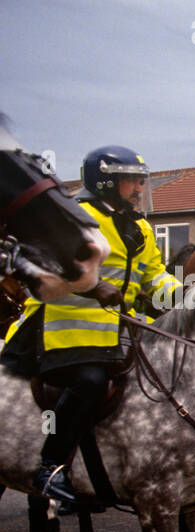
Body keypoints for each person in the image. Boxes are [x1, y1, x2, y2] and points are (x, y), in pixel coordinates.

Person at [21, 145, 182, 502]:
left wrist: (190, 296)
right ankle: (48, 467)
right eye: (131, 182)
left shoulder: (139, 226)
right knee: (90, 381)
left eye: (141, 182)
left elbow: (155, 279)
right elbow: (44, 267)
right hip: (62, 331)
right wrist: (92, 287)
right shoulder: (74, 217)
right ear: (107, 183)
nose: (139, 189)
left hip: (114, 334)